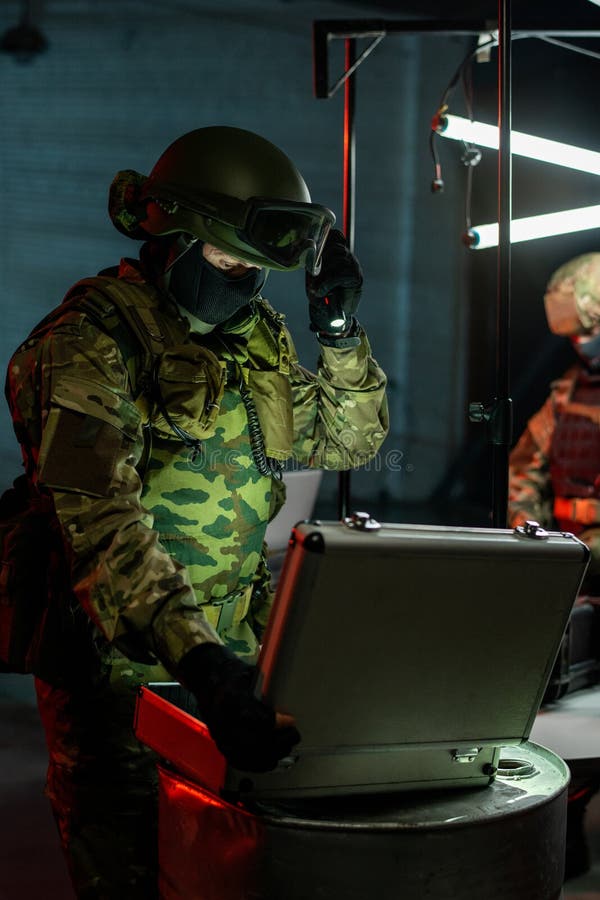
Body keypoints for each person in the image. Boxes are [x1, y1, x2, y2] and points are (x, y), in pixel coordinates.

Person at [5, 125, 389, 899]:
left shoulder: (258, 340)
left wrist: (339, 332)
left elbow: (351, 440)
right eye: (227, 261)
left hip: (236, 667)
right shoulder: (88, 343)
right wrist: (202, 662)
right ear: (172, 237)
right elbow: (104, 527)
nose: (246, 281)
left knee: (228, 876)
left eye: (259, 269)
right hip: (126, 681)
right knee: (136, 876)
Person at [508, 250, 600, 879]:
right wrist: (533, 546)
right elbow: (525, 472)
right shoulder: (565, 396)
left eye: (589, 331)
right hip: (576, 581)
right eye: (574, 337)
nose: (582, 345)